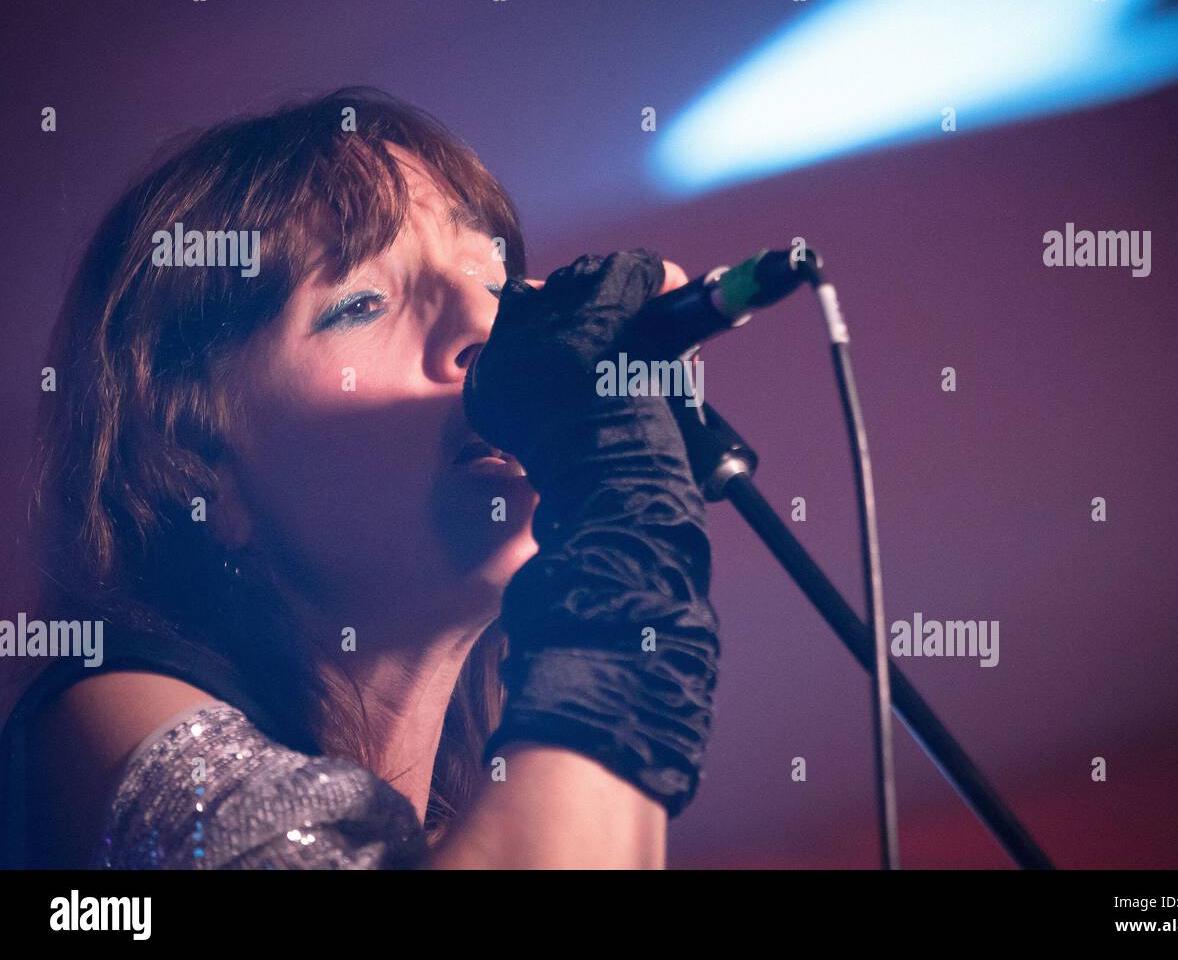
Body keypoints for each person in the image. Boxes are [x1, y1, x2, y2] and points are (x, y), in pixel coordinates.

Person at [0, 87, 720, 869]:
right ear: (201, 458)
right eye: (361, 302)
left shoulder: (481, 826)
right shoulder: (99, 718)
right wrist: (627, 528)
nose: (486, 330)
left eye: (493, 284)